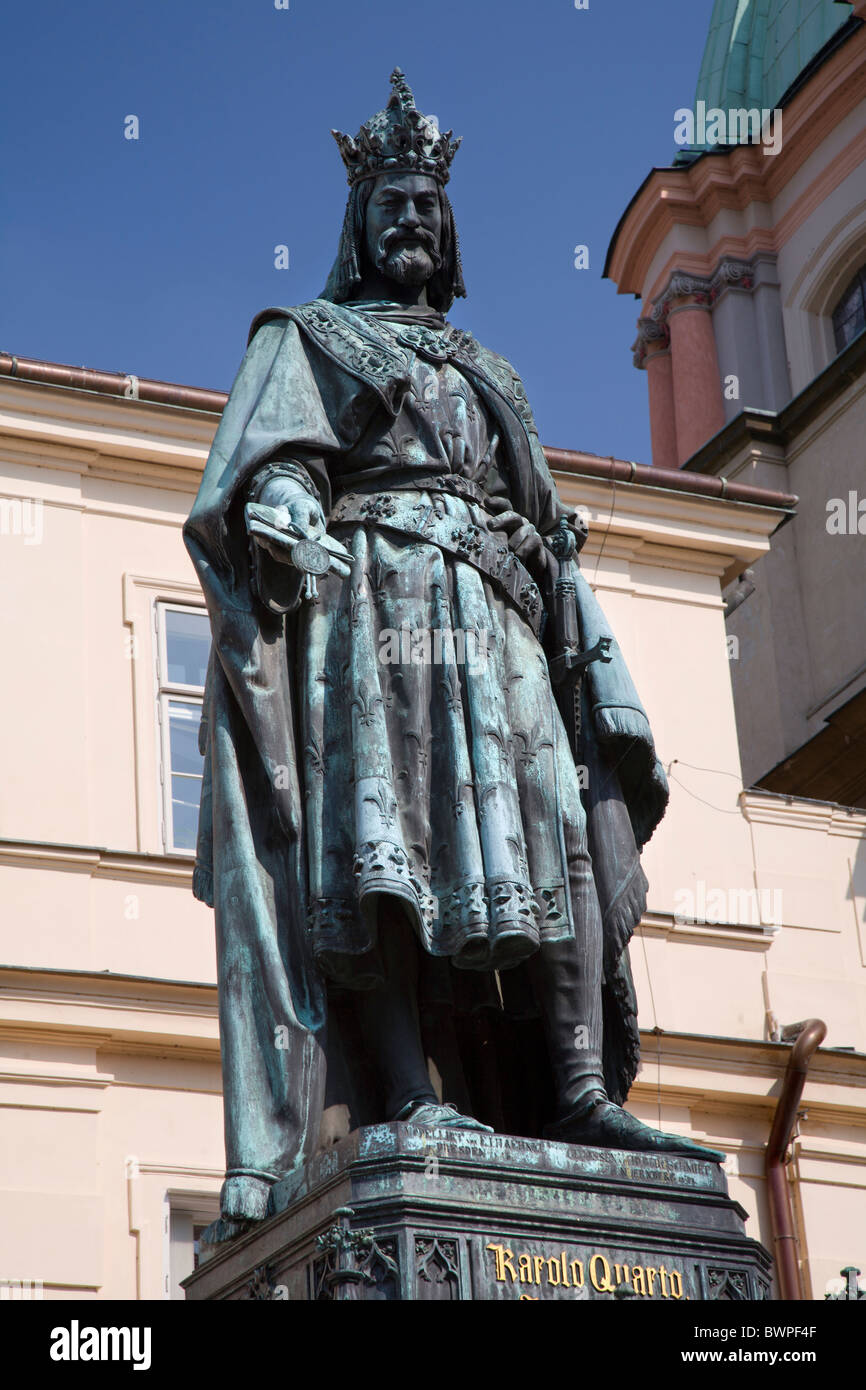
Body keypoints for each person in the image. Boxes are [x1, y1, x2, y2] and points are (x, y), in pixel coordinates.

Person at [184, 69, 723, 1237]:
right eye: (393, 208)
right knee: (390, 841)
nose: (414, 223)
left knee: (558, 825)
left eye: (429, 206)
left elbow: (546, 518)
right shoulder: (310, 338)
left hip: (501, 621)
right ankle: (410, 1092)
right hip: (375, 609)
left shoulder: (497, 376)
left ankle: (576, 1093)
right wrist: (282, 498)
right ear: (360, 226)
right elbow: (273, 460)